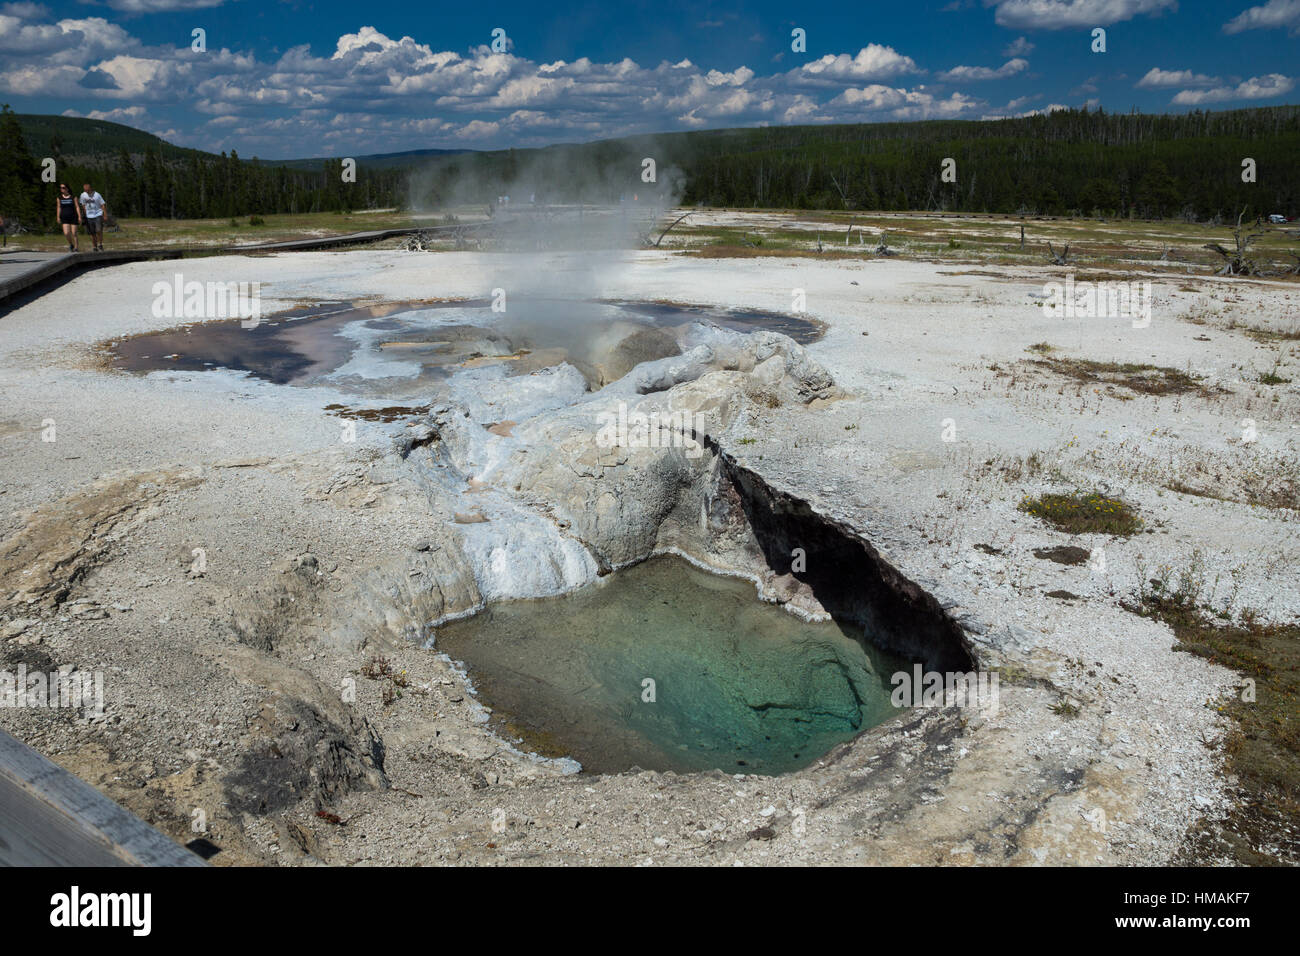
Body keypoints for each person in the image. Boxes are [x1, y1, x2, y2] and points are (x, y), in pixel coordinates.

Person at [79, 183, 107, 252]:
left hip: (98, 214)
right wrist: (85, 215)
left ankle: (100, 244)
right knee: (92, 232)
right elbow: (83, 205)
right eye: (85, 190)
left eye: (87, 189)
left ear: (90, 188)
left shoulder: (97, 195)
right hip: (89, 216)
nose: (86, 191)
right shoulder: (83, 195)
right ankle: (94, 246)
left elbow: (103, 205)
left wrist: (105, 215)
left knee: (98, 230)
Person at [56, 183, 80, 252]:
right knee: (66, 233)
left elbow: (77, 207)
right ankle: (71, 244)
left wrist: (79, 217)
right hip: (64, 217)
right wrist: (58, 217)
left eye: (63, 187)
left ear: (67, 188)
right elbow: (59, 207)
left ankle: (76, 247)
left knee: (74, 233)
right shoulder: (59, 198)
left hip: (73, 217)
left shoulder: (73, 197)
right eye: (61, 188)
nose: (62, 189)